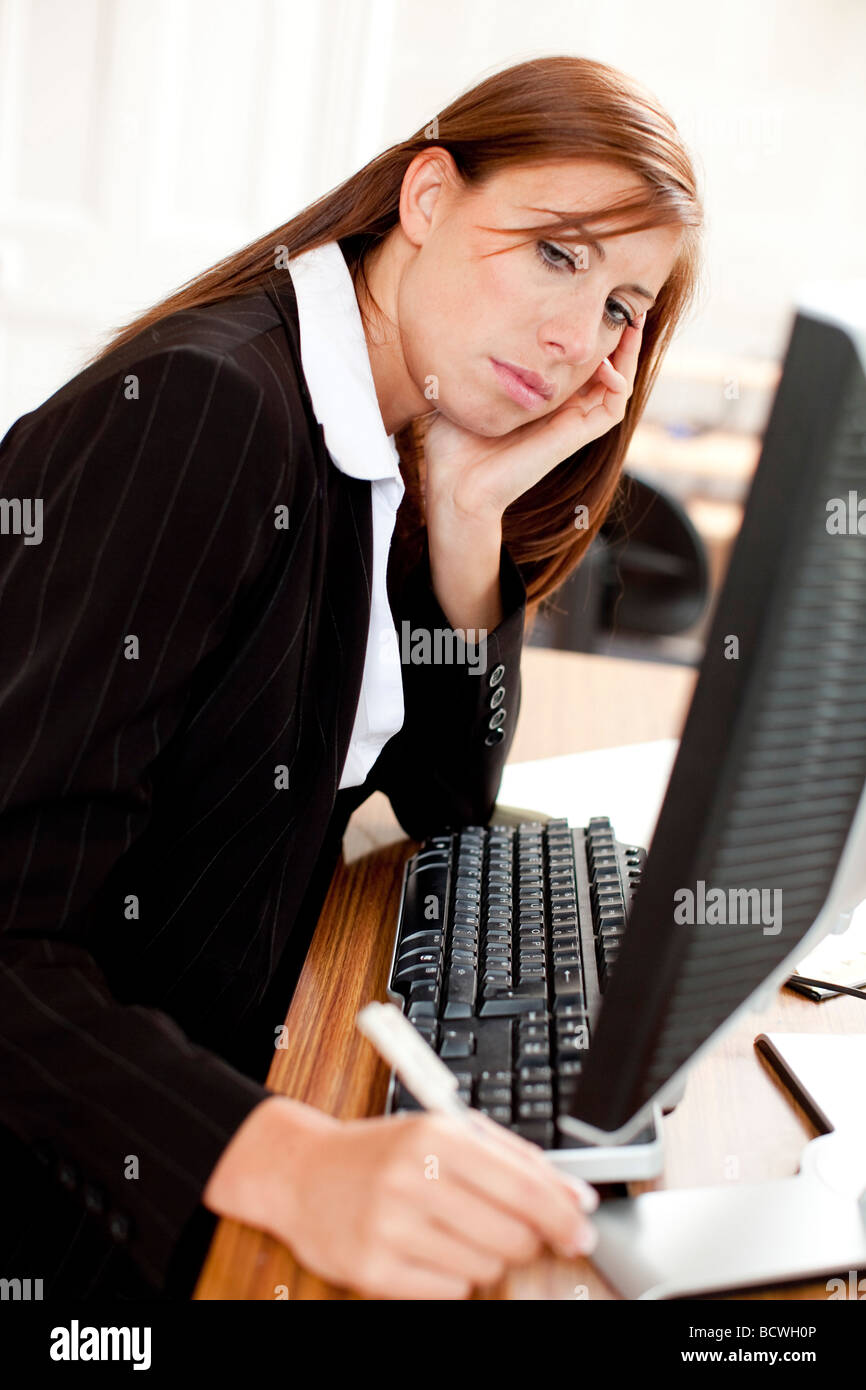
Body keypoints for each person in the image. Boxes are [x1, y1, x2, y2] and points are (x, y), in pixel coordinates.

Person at [0, 55, 702, 1301]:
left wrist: (470, 517)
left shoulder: (380, 433)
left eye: (619, 305)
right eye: (554, 252)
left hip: (211, 1084)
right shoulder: (204, 409)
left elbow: (445, 800)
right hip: (81, 1166)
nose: (575, 333)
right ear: (426, 197)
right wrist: (295, 1163)